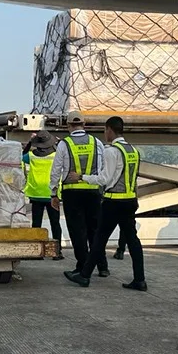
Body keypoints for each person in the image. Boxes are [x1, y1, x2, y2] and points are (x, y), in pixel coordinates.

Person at [63, 116, 146, 291]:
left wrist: (81, 177)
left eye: (105, 130)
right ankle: (140, 279)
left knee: (99, 240)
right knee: (133, 241)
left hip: (113, 202)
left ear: (109, 130)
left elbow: (104, 179)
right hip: (130, 201)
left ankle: (84, 276)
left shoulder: (111, 151)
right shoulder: (133, 151)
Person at [50, 112, 109, 279]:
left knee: (78, 231)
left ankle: (83, 267)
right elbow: (103, 167)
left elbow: (56, 170)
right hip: (93, 191)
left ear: (68, 125)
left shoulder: (64, 144)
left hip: (72, 193)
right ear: (84, 124)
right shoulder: (96, 142)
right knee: (95, 231)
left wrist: (53, 193)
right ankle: (102, 266)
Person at [22, 131, 64, 260]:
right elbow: (65, 154)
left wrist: (30, 142)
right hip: (52, 194)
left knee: (36, 224)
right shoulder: (55, 155)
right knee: (55, 223)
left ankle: (37, 252)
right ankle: (57, 252)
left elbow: (22, 155)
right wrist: (59, 142)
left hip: (36, 194)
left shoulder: (31, 156)